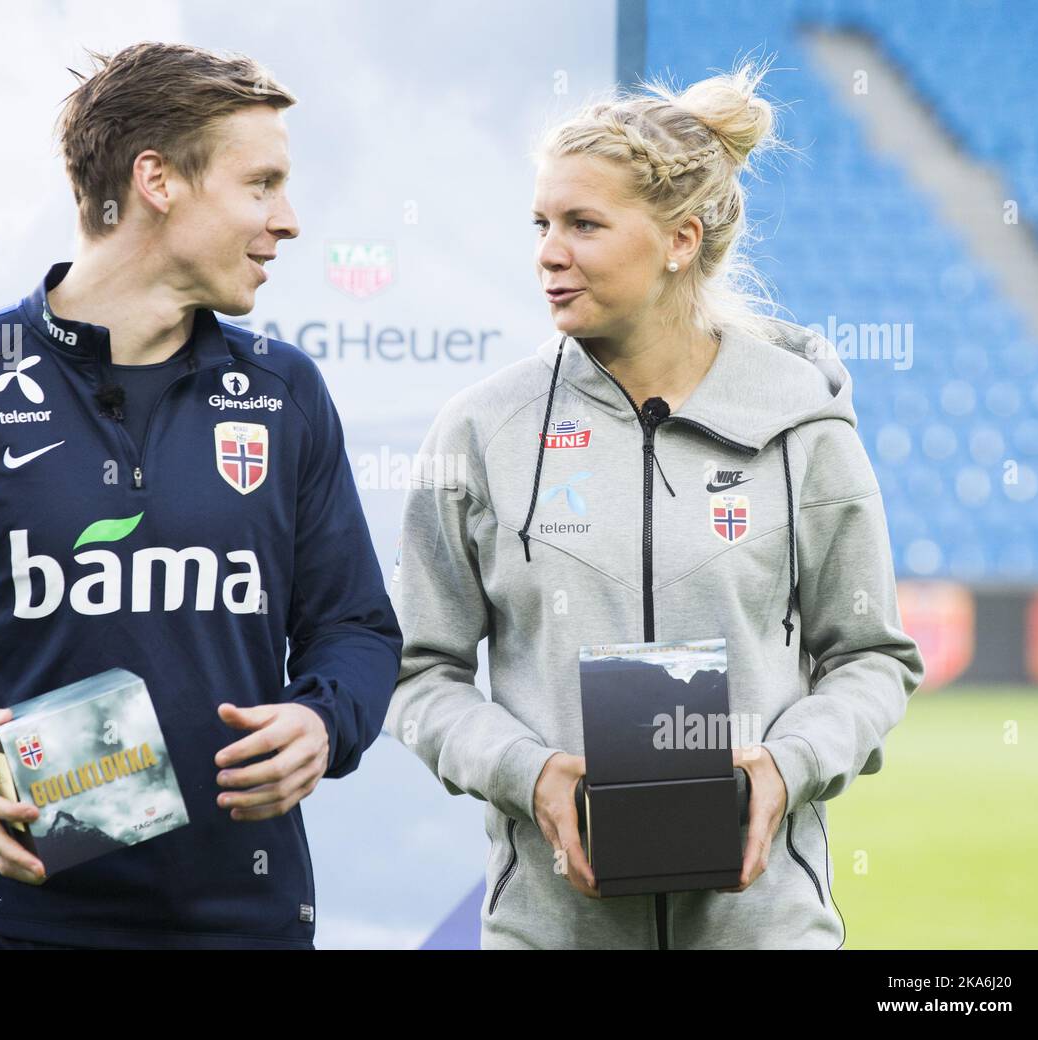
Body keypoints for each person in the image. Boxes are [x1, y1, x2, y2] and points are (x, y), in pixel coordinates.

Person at [0, 42, 401, 950]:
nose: (289, 220)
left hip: (243, 925)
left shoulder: (284, 391)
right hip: (10, 923)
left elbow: (356, 628)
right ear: (157, 180)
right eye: (261, 184)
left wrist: (322, 719)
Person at [384, 61, 925, 950]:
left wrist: (784, 770)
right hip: (546, 929)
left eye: (584, 224)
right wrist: (532, 773)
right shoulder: (482, 430)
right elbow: (418, 672)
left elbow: (870, 657)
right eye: (542, 223)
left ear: (679, 239)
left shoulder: (805, 427)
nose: (548, 252)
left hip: (766, 930)